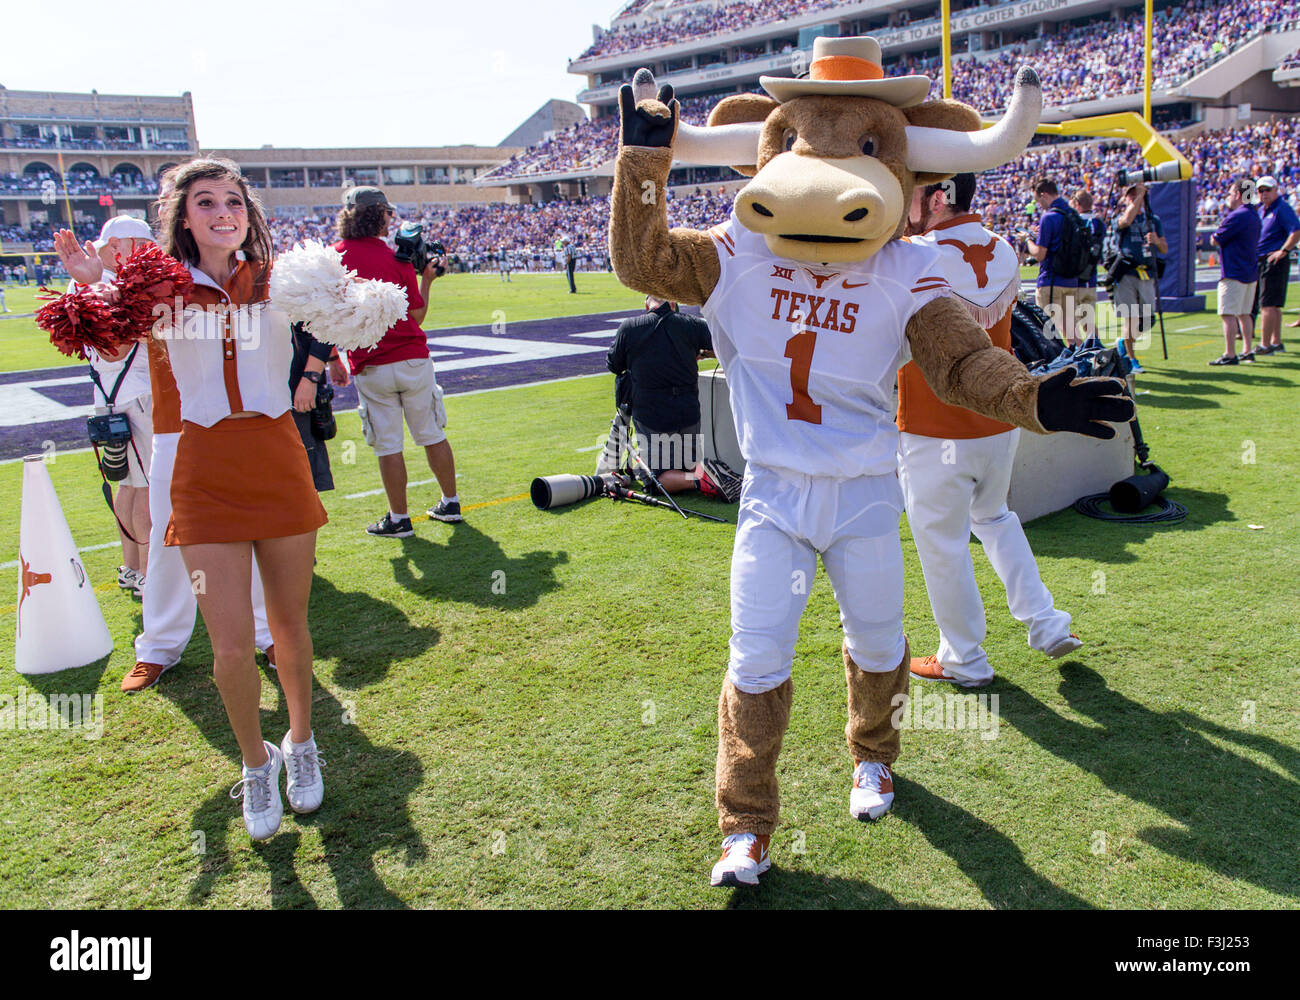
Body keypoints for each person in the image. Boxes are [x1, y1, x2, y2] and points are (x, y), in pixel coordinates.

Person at [70, 158, 328, 841]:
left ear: (249, 213)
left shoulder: (281, 280)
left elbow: (341, 313)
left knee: (292, 628)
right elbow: (106, 331)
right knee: (231, 646)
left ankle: (301, 743)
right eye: (206, 201)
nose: (223, 211)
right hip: (203, 470)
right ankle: (254, 762)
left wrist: (350, 313)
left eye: (234, 201)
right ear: (184, 217)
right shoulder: (159, 288)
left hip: (276, 462)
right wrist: (93, 283)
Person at [899, 174, 1081, 689]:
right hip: (1000, 417)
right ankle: (1045, 622)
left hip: (935, 424)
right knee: (996, 517)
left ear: (937, 196)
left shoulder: (916, 253)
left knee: (944, 545)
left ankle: (964, 657)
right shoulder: (1002, 247)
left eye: (915, 189)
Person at [333, 186, 461, 537]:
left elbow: (321, 315)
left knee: (388, 445)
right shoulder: (398, 259)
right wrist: (427, 280)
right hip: (412, 360)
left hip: (370, 363)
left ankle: (399, 518)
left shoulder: (334, 258)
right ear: (381, 216)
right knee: (432, 434)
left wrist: (331, 359)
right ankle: (450, 502)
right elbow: (416, 315)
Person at [65, 216, 157, 598]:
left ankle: (132, 567)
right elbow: (117, 346)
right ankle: (150, 576)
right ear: (120, 244)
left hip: (111, 395)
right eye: (144, 244)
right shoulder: (98, 282)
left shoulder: (89, 280)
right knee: (148, 488)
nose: (150, 253)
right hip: (134, 395)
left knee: (131, 486)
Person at [603, 295, 739, 499]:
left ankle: (699, 480)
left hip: (652, 416)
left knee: (656, 479)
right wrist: (696, 352)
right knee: (685, 463)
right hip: (688, 413)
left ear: (646, 304)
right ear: (674, 304)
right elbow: (723, 345)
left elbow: (614, 365)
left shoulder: (630, 328)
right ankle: (699, 475)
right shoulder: (690, 324)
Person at [1108, 179, 1167, 373]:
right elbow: (1126, 220)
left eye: (1137, 193)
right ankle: (1131, 359)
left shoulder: (1153, 220)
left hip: (1146, 272)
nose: (1135, 196)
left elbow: (1164, 248)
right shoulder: (1120, 215)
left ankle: (1124, 344)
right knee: (1130, 318)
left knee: (1148, 318)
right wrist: (1139, 197)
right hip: (1126, 272)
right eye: (1131, 194)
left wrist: (1157, 241)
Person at [1209, 177, 1263, 366]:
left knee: (1228, 313)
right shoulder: (1254, 214)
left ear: (1239, 195)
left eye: (1232, 193)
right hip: (1249, 271)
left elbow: (1216, 239)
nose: (1229, 197)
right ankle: (1247, 350)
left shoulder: (1237, 215)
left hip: (1234, 271)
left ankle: (1230, 353)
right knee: (1244, 313)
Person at [1022, 177, 1080, 348]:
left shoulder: (1049, 217)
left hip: (1051, 279)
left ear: (1044, 195)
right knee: (1071, 329)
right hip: (1071, 279)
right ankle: (1082, 364)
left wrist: (1027, 241)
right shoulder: (1072, 213)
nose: (1039, 204)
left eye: (1038, 200)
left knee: (1046, 331)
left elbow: (1039, 254)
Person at [1251, 175, 1299, 355]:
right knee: (1274, 305)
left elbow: (1296, 230)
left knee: (1267, 305)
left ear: (1276, 189)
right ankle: (1276, 342)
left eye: (1267, 190)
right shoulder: (1263, 209)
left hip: (1273, 259)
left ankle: (1265, 345)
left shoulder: (1281, 208)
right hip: (1264, 259)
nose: (1264, 194)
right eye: (1261, 190)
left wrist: (1284, 251)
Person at [1070, 188, 1104, 343]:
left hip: (1075, 279)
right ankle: (1097, 350)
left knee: (1069, 324)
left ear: (1077, 203)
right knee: (1088, 322)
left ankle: (1078, 356)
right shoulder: (1098, 223)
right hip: (1091, 278)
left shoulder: (1074, 222)